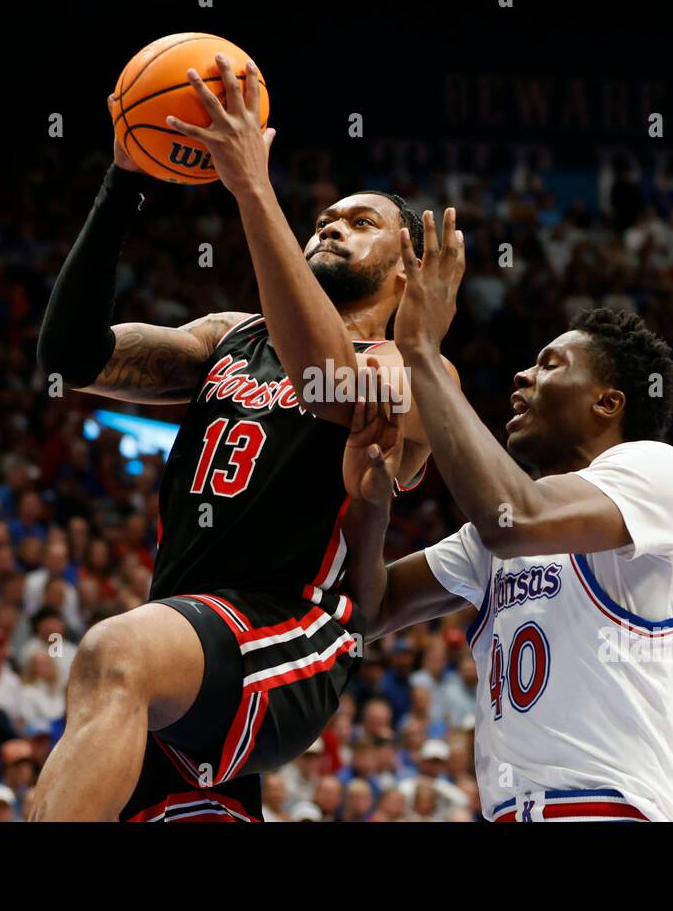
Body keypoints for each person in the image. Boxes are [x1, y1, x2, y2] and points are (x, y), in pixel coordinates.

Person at [31, 55, 458, 822]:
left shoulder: (412, 373)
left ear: (406, 272)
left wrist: (250, 185)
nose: (332, 227)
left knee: (111, 655)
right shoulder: (230, 336)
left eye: (362, 224)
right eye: (324, 219)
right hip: (186, 639)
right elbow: (69, 356)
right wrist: (124, 178)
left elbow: (322, 378)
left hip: (288, 633)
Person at [344, 296, 673, 822]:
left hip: (613, 810)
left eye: (549, 365)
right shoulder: (490, 538)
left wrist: (420, 352)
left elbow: (515, 517)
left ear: (607, 403)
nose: (522, 376)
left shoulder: (655, 471)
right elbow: (366, 614)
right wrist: (374, 503)